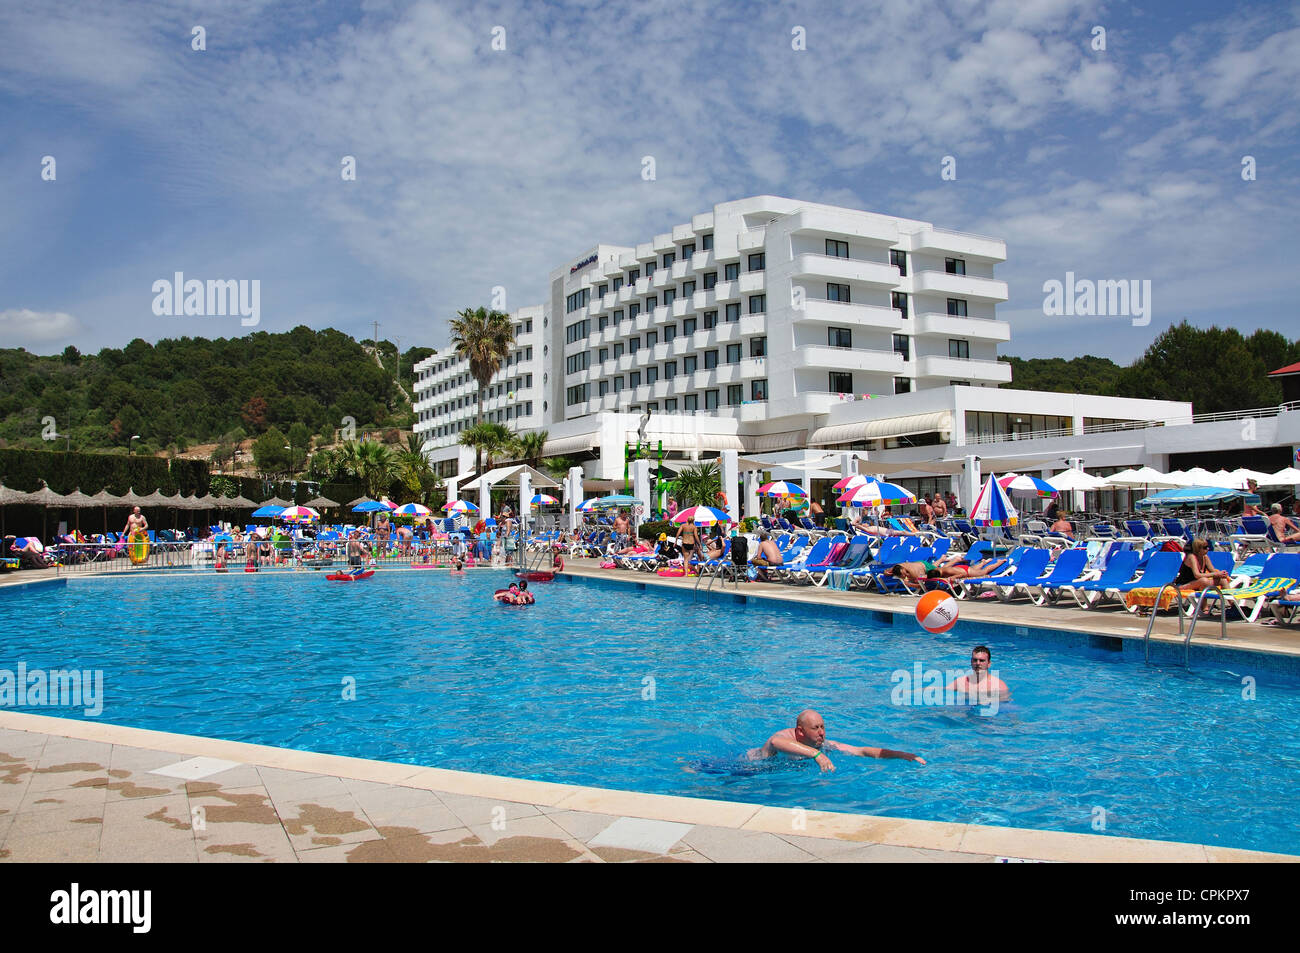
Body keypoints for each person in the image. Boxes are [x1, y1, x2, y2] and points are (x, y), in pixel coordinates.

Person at [746, 709, 925, 772]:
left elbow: (860, 750)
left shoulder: (822, 744)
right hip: (746, 769)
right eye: (816, 728)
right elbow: (776, 743)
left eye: (823, 727)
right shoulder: (785, 736)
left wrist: (902, 755)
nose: (822, 733)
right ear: (800, 731)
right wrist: (817, 755)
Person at [946, 646, 1011, 703]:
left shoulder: (999, 686)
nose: (978, 663)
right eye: (975, 660)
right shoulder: (961, 681)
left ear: (989, 663)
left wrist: (990, 701)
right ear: (971, 662)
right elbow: (943, 690)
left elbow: (1006, 705)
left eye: (982, 660)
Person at [888, 555, 1007, 584]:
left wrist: (954, 578)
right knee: (976, 569)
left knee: (984, 572)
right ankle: (983, 562)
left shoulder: (945, 571)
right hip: (964, 569)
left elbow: (961, 573)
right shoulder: (943, 570)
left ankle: (999, 562)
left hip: (964, 571)